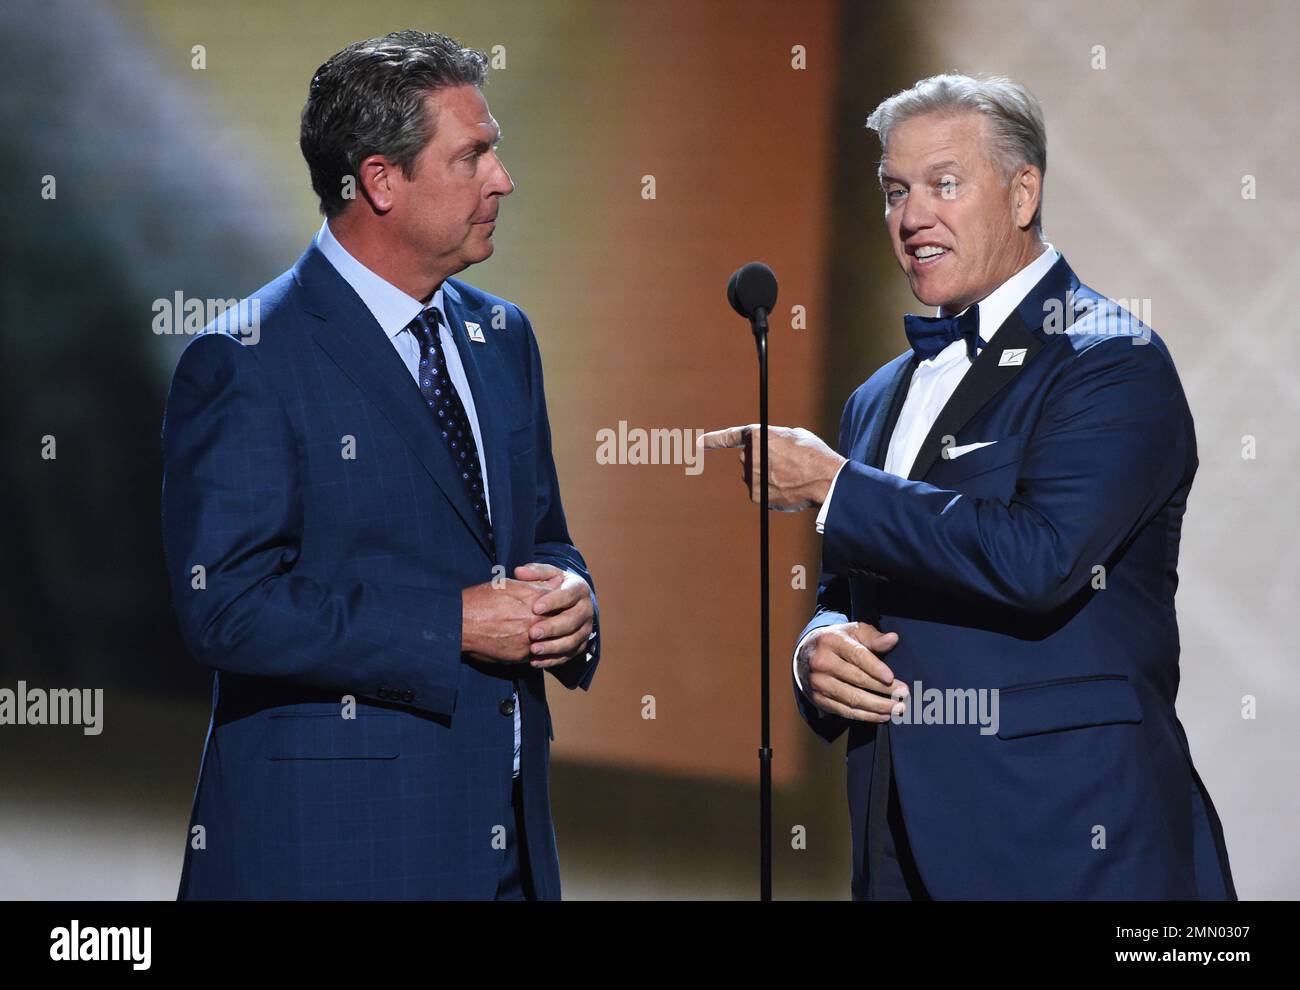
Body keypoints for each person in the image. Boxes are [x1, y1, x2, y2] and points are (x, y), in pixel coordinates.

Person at [701, 73, 1234, 900]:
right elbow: (859, 585)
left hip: (1065, 840)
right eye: (893, 191)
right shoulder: (878, 395)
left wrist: (837, 485)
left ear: (1024, 194)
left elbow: (1041, 558)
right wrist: (821, 649)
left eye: (944, 184)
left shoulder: (1109, 361)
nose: (911, 218)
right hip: (896, 838)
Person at [161, 30, 599, 900]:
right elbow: (228, 608)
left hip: (506, 846)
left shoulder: (504, 337)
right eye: (472, 156)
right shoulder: (246, 357)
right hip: (337, 851)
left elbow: (543, 536)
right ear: (381, 180)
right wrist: (454, 625)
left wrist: (575, 599)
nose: (502, 180)